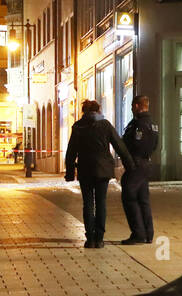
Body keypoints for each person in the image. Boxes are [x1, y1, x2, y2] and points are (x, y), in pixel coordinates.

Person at [64, 99, 132, 248]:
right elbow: (119, 145)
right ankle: (99, 238)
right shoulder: (105, 125)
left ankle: (90, 239)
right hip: (103, 170)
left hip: (85, 170)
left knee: (88, 203)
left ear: (84, 111)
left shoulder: (78, 126)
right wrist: (130, 165)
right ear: (98, 110)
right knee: (101, 202)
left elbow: (71, 152)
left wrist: (70, 172)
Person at [120, 95, 159, 245]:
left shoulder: (139, 124)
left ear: (137, 106)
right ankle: (148, 233)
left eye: (132, 106)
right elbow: (155, 145)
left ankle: (138, 233)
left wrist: (128, 156)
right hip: (146, 164)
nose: (131, 109)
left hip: (136, 164)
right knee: (143, 199)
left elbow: (135, 144)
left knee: (129, 197)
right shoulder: (152, 123)